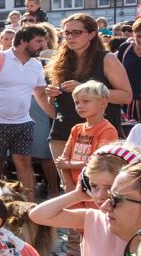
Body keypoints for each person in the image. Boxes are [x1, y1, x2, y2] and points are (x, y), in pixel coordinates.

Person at [45, 14, 131, 190]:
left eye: (76, 32)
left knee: (99, 187)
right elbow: (52, 105)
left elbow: (126, 96)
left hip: (99, 132)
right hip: (63, 131)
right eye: (66, 33)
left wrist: (85, 87)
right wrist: (51, 95)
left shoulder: (106, 59)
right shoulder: (60, 61)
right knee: (69, 188)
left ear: (92, 34)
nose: (69, 37)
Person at [0, 25, 53, 201]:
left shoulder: (36, 65)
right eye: (38, 41)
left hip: (23, 122)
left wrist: (54, 115)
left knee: (24, 160)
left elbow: (39, 93)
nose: (42, 45)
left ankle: (29, 204)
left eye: (43, 41)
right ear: (23, 41)